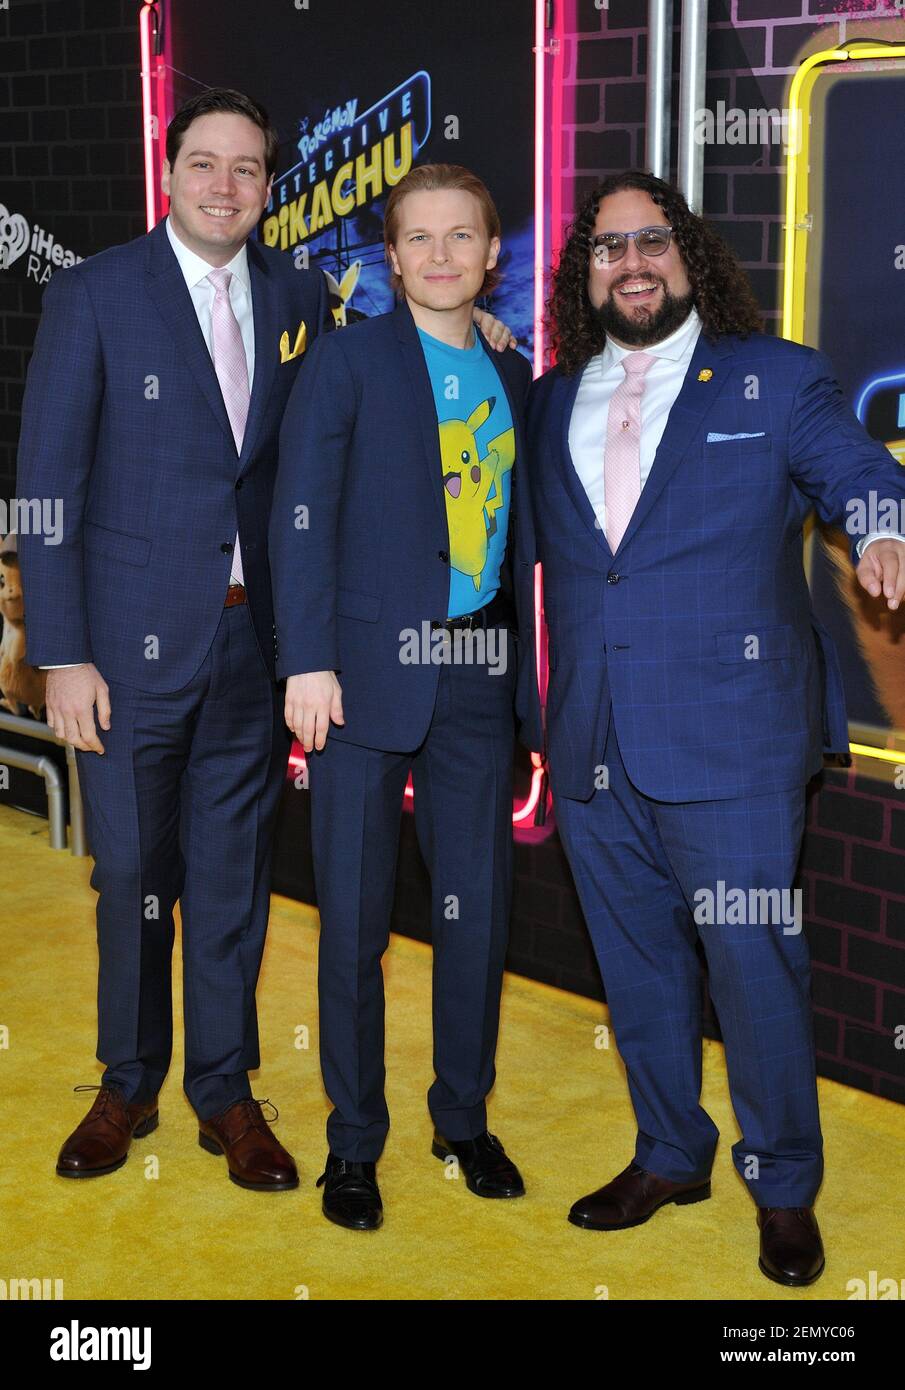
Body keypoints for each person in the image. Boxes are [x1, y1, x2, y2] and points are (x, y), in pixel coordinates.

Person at [526, 169, 905, 1285]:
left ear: (687, 258)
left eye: (650, 241)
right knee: (637, 972)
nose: (628, 263)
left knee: (753, 970)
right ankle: (667, 1150)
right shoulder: (550, 399)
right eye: (605, 248)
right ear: (581, 273)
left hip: (733, 749)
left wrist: (882, 527)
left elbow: (859, 474)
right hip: (592, 744)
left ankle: (781, 1185)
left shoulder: (774, 379)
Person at [16, 88, 336, 1190]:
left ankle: (227, 1091)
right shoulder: (96, 293)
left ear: (265, 185)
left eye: (247, 168)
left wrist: (473, 334)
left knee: (233, 880)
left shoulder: (301, 295)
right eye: (205, 163)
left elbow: (315, 452)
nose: (224, 185)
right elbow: (47, 484)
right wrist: (59, 651)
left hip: (252, 653)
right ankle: (124, 1082)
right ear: (170, 171)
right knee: (132, 875)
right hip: (124, 655)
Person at [269, 163, 543, 1230]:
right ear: (390, 258)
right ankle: (352, 1141)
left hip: (476, 674)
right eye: (417, 238)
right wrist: (305, 659)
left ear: (488, 255)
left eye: (459, 236)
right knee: (352, 924)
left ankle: (461, 1118)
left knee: (473, 918)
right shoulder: (344, 363)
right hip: (354, 677)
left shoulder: (514, 376)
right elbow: (300, 515)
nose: (438, 255)